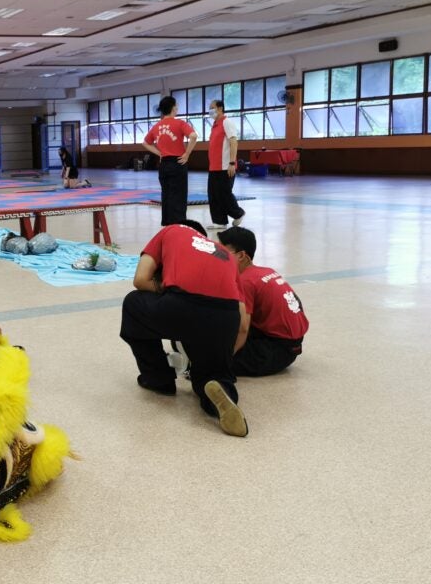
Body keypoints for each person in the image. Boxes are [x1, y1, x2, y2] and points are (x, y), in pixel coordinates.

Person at [120, 219, 250, 437]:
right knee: (211, 375)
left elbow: (140, 280)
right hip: (225, 316)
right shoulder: (223, 253)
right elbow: (243, 324)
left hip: (182, 305)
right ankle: (220, 391)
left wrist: (165, 287)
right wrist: (224, 356)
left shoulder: (169, 231)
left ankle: (158, 380)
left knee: (133, 304)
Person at [218, 227, 308, 376]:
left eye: (222, 251)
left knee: (214, 360)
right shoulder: (267, 271)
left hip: (277, 350)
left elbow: (243, 329)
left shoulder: (245, 282)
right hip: (293, 342)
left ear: (241, 256)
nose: (217, 255)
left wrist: (226, 357)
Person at [142, 96, 196, 226]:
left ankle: (167, 223)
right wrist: (187, 154)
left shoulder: (157, 126)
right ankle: (179, 224)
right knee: (179, 195)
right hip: (178, 162)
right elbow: (193, 136)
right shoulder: (179, 123)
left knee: (166, 194)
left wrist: (159, 153)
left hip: (164, 164)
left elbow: (145, 143)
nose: (177, 108)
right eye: (176, 106)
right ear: (173, 108)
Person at [206, 99, 245, 230]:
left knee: (224, 193)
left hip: (225, 166)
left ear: (220, 108)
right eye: (209, 108)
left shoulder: (226, 122)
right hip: (214, 167)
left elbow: (234, 142)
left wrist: (232, 163)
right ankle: (219, 221)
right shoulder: (215, 125)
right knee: (213, 195)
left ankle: (238, 213)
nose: (210, 110)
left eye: (212, 108)